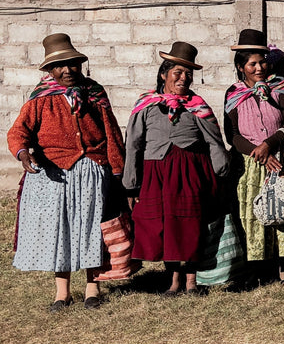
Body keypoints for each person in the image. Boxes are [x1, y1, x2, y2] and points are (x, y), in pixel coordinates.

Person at [9, 34, 125, 311]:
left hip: (90, 171)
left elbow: (112, 134)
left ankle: (92, 288)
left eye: (72, 64)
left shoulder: (94, 94)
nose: (68, 70)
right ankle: (62, 292)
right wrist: (23, 153)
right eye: (60, 65)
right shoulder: (40, 99)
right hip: (54, 174)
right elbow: (18, 132)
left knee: (90, 229)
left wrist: (119, 173)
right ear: (50, 70)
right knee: (58, 231)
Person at [124, 42, 230, 296]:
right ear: (164, 74)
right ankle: (173, 279)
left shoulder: (197, 106)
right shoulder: (146, 105)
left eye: (188, 75)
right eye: (178, 73)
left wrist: (222, 172)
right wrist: (131, 184)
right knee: (164, 225)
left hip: (190, 173)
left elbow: (213, 141)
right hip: (156, 174)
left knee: (191, 224)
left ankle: (191, 280)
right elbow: (133, 144)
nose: (184, 79)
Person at [220, 28, 284, 285]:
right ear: (241, 67)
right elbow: (232, 134)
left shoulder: (282, 86)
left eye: (262, 61)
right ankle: (258, 266)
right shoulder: (233, 94)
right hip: (252, 160)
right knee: (255, 212)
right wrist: (261, 154)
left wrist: (269, 145)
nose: (259, 68)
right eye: (252, 63)